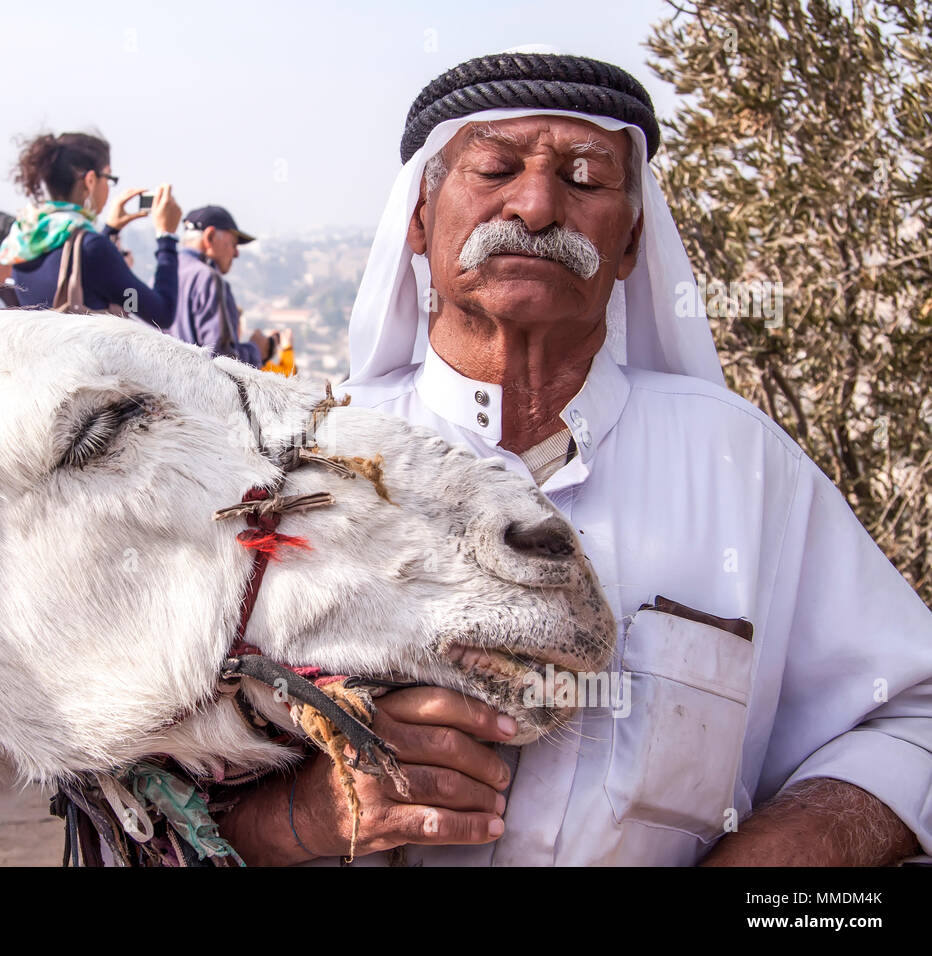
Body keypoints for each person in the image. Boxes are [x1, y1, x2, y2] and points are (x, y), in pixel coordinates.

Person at [216, 49, 932, 867]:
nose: (535, 205)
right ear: (418, 220)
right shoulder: (297, 470)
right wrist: (298, 819)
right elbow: (137, 787)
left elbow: (913, 719)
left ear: (631, 242)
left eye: (586, 179)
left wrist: (772, 864)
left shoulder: (743, 468)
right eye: (493, 169)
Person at [0, 131, 180, 327]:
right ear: (90, 180)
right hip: (80, 357)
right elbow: (161, 313)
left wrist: (109, 230)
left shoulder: (22, 238)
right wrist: (166, 236)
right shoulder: (92, 248)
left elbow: (81, 271)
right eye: (108, 178)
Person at [171, 205, 279, 367]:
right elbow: (221, 361)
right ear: (210, 236)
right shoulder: (207, 278)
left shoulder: (162, 274)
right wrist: (257, 349)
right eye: (234, 244)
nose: (236, 254)